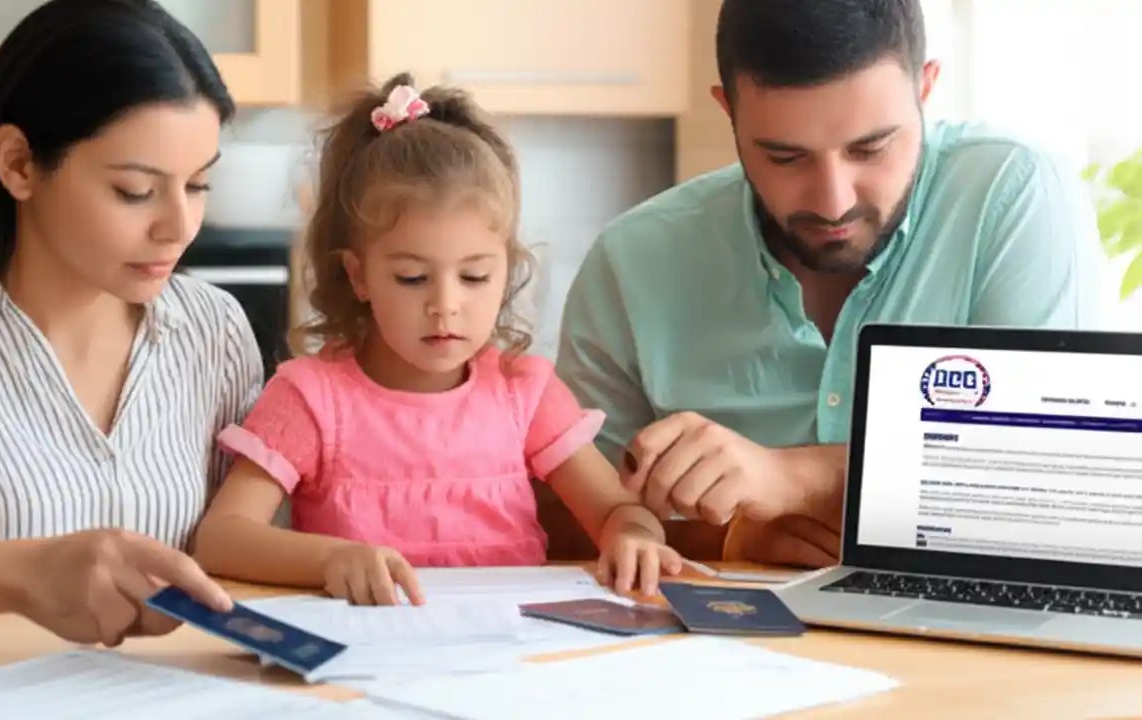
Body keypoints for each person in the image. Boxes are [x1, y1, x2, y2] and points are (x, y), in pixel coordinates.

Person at [555, 0, 1106, 568]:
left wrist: (794, 478)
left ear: (926, 85)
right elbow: (555, 523)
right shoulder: (634, 261)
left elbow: (1057, 477)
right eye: (785, 156)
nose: (833, 200)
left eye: (871, 148)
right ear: (728, 111)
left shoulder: (1013, 193)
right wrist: (724, 541)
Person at [193, 75, 683, 606]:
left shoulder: (526, 392)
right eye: (411, 278)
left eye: (474, 277)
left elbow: (615, 510)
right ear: (359, 277)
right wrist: (332, 558)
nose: (445, 305)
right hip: (366, 655)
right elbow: (222, 538)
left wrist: (634, 536)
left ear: (507, 271)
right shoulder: (311, 398)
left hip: (507, 659)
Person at [0, 0, 257, 649]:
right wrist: (22, 573)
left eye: (198, 185)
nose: (179, 228)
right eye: (135, 190)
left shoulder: (212, 331)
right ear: (18, 164)